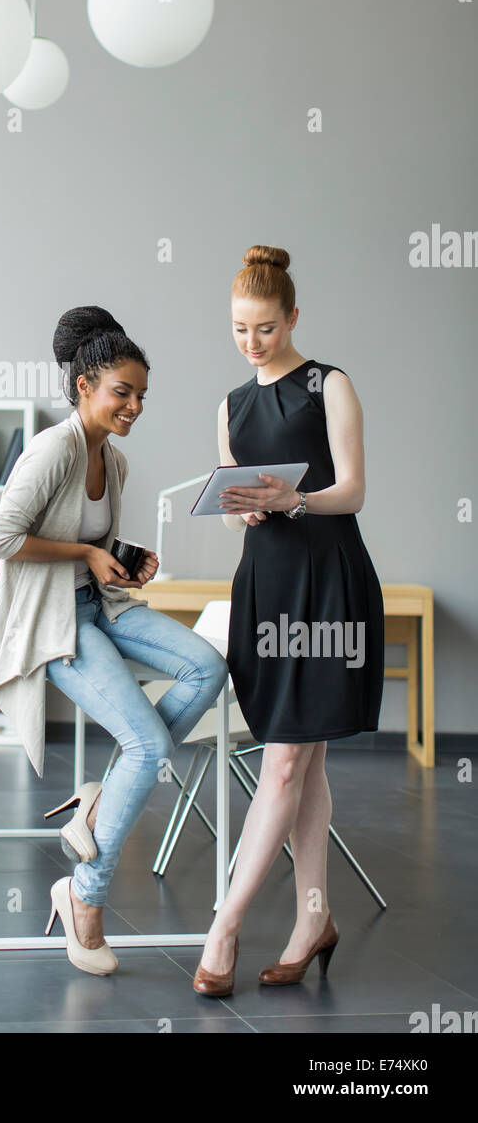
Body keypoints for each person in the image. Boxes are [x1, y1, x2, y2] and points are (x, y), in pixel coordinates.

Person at [0, 307, 228, 975]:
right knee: (148, 743)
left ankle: (106, 795)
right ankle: (84, 896)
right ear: (84, 385)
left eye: (142, 395)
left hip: (101, 603)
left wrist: (120, 553)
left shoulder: (111, 459)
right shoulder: (54, 449)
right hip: (55, 619)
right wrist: (87, 554)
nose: (136, 405)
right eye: (124, 392)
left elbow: (84, 536)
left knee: (206, 667)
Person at [192, 246, 384, 996]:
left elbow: (354, 491)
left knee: (282, 762)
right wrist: (244, 509)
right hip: (265, 585)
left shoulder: (330, 385)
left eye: (265, 329)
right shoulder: (230, 405)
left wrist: (293, 501)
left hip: (327, 585)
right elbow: (240, 506)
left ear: (293, 317)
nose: (251, 343)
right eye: (240, 329)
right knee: (304, 764)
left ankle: (225, 926)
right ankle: (314, 918)